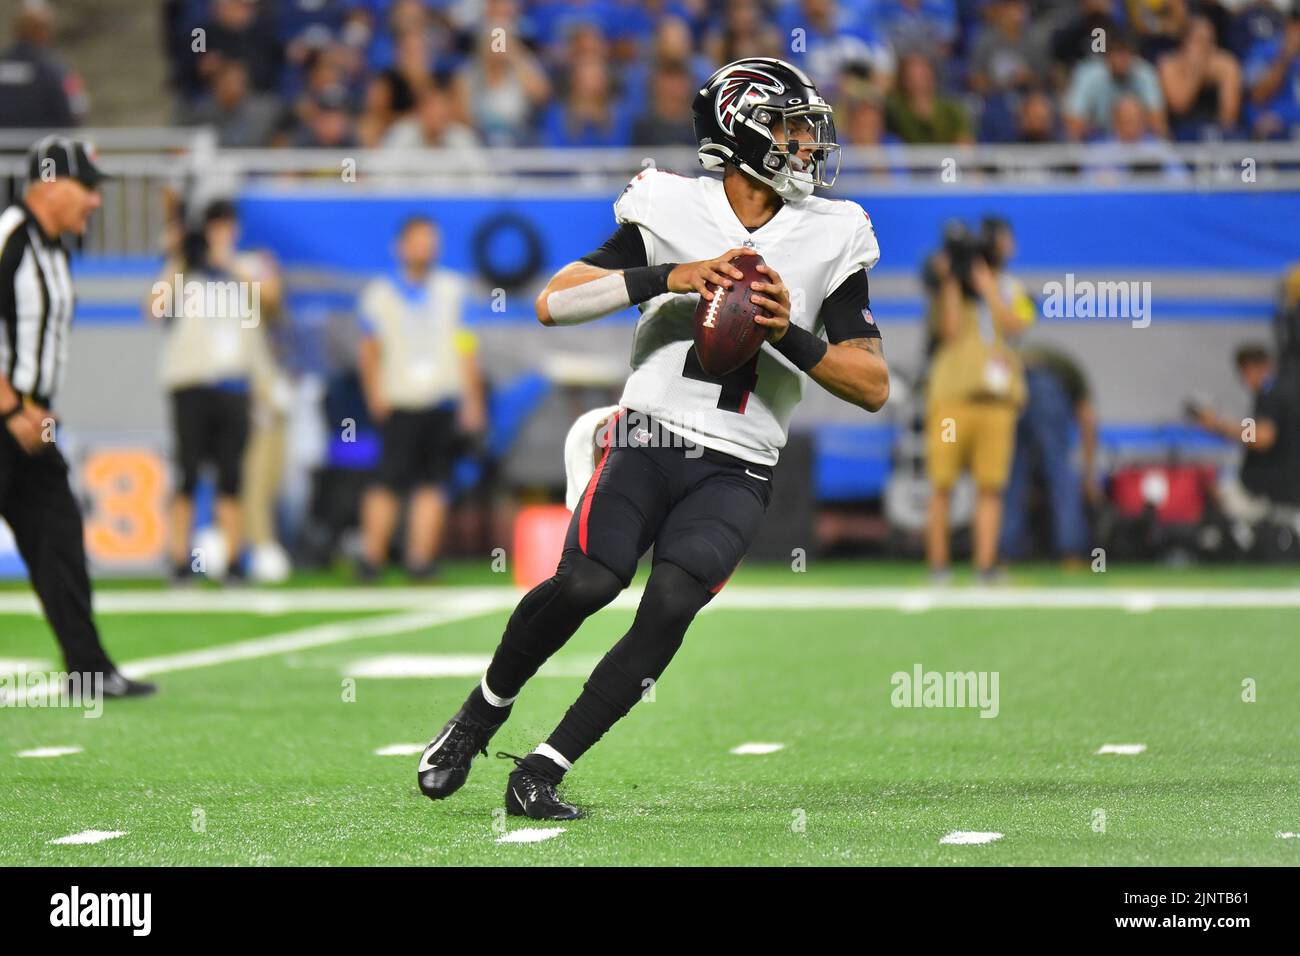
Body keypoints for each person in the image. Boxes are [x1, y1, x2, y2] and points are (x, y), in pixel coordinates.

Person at [415, 57, 888, 820]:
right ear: (745, 132)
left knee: (670, 601)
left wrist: (786, 333)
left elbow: (872, 386)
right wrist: (670, 275)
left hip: (740, 464)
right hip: (647, 437)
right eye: (793, 127)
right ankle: (481, 711)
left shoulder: (835, 232)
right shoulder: (670, 205)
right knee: (589, 582)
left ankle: (544, 766)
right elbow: (553, 303)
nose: (808, 144)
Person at [0, 137, 154, 698]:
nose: (94, 201)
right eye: (85, 187)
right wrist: (13, 405)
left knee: (59, 538)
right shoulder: (9, 238)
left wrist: (37, 406)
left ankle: (90, 671)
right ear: (48, 183)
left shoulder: (58, 248)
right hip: (8, 415)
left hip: (31, 421)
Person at [150, 200, 276, 583]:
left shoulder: (250, 266)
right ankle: (179, 560)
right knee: (186, 473)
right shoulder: (186, 271)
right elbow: (153, 307)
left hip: (234, 383)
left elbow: (270, 299)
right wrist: (178, 257)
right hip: (191, 382)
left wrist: (228, 263)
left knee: (231, 475)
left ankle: (234, 560)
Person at [356, 216, 485, 581]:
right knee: (386, 480)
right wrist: (374, 394)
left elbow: (466, 346)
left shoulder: (451, 290)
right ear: (400, 246)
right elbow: (368, 350)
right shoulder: (380, 294)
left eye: (431, 240)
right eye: (418, 240)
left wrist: (472, 398)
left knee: (433, 482)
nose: (426, 247)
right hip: (400, 399)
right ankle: (372, 557)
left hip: (440, 398)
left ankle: (420, 559)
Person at [924, 217, 1035, 583]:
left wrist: (988, 287)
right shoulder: (949, 287)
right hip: (953, 402)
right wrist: (954, 280)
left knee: (991, 486)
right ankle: (939, 566)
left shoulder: (1013, 288)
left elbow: (1016, 326)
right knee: (943, 484)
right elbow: (950, 331)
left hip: (997, 404)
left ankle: (985, 565)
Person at [999, 346, 1099, 564]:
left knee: (1012, 475)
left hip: (1011, 385)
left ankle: (1004, 552)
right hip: (1043, 386)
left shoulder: (1052, 362)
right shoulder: (1071, 377)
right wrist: (1089, 473)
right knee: (1061, 473)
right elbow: (1088, 420)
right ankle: (1071, 552)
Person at [1194, 344, 1300, 521]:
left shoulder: (1272, 393)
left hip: (1272, 494)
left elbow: (1262, 437)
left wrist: (1219, 425)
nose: (1244, 381)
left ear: (1250, 368)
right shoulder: (1283, 390)